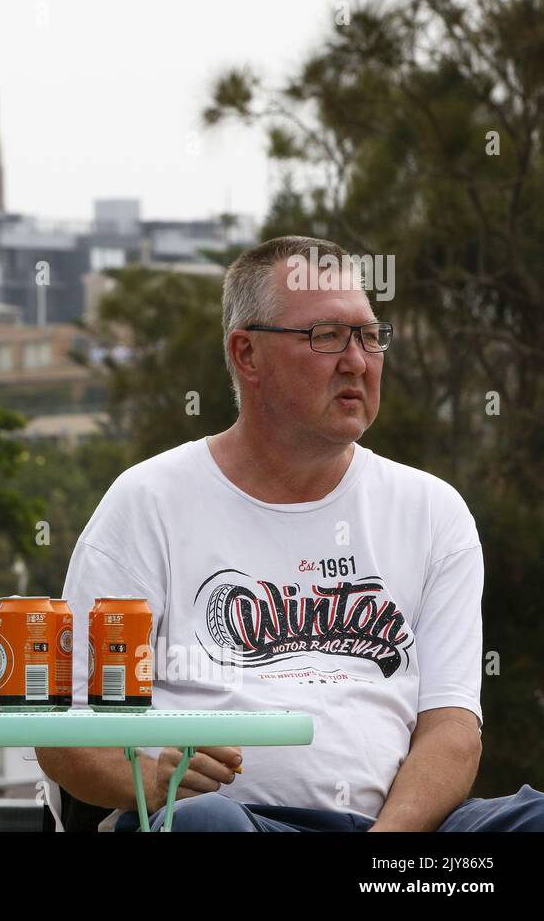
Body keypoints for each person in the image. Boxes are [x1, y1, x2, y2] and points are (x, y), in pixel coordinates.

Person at [38, 236, 543, 832]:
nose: (357, 359)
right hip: (230, 824)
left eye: (370, 335)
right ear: (247, 355)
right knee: (205, 825)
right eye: (326, 336)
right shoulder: (148, 504)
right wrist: (152, 782)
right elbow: (63, 731)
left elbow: (451, 729)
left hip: (394, 836)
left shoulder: (433, 511)